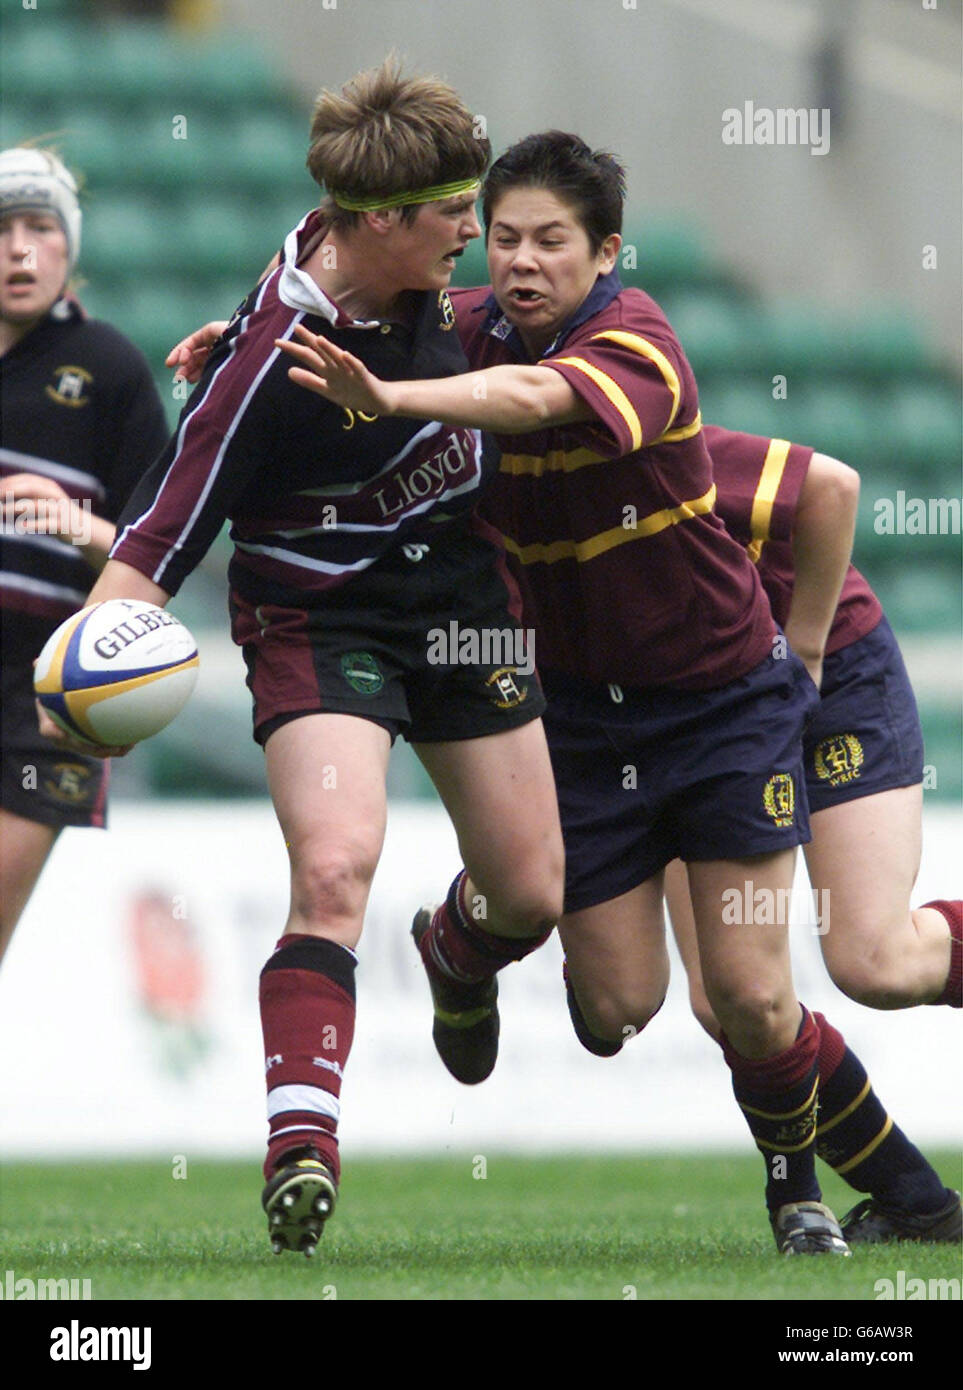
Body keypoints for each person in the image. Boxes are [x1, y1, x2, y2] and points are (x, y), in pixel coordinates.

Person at [275, 131, 871, 1255]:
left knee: (748, 992)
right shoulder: (453, 332)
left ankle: (796, 1198)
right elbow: (327, 318)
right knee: (616, 1011)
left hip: (724, 702)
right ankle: (459, 946)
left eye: (552, 240)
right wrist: (242, 349)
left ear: (606, 254)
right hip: (588, 718)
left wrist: (803, 655)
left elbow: (533, 396)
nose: (521, 260)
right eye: (502, 238)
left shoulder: (635, 340)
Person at [45, 62, 565, 1258]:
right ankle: (302, 1144)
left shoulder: (451, 293)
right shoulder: (266, 354)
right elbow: (167, 527)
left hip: (461, 605)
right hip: (321, 625)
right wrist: (79, 673)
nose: (474, 240)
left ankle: (453, 949)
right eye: (454, 218)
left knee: (531, 897)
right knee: (336, 867)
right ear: (381, 222)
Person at [661, 423, 961, 1242]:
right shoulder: (513, 498)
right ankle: (919, 1207)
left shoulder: (640, 430)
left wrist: (806, 647)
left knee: (875, 959)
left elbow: (832, 484)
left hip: (826, 676)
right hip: (697, 716)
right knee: (730, 1002)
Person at [0, 146, 169, 964]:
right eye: (2, 229)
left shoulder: (110, 367)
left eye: (40, 227)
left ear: (69, 245)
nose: (19, 249)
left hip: (45, 688)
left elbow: (167, 547)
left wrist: (80, 528)